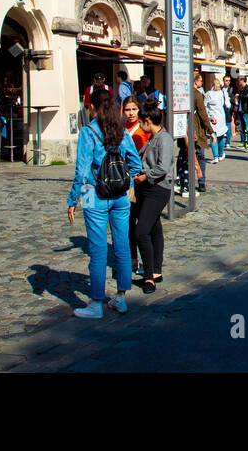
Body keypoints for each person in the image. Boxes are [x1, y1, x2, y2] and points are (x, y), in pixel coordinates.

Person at [67, 88, 142, 319]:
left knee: (98, 250)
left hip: (93, 193)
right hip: (120, 195)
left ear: (92, 107)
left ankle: (96, 303)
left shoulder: (88, 132)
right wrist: (125, 180)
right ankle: (121, 297)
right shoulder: (121, 130)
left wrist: (72, 200)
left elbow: (81, 171)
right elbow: (136, 163)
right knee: (122, 246)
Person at [129, 101, 174, 292]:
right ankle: (156, 271)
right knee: (155, 228)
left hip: (158, 189)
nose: (140, 125)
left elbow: (163, 168)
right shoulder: (153, 137)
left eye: (141, 122)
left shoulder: (164, 138)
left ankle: (148, 277)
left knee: (141, 232)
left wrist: (145, 176)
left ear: (147, 121)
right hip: (147, 189)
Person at [204, 74, 230, 163]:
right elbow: (228, 105)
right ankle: (220, 155)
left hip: (213, 117)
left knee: (213, 136)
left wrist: (209, 115)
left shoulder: (208, 94)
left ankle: (215, 156)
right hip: (221, 116)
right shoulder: (222, 93)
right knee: (221, 136)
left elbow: (204, 105)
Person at [234, 76, 248, 151]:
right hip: (240, 110)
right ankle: (242, 141)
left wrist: (239, 95)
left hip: (246, 110)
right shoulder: (241, 89)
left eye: (239, 80)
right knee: (241, 128)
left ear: (242, 80)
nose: (238, 82)